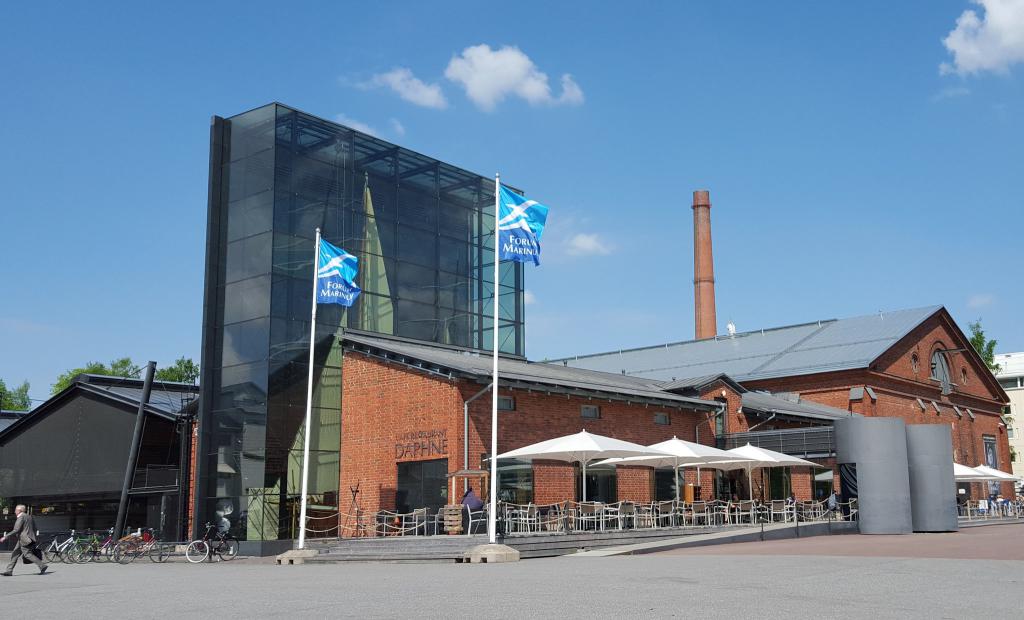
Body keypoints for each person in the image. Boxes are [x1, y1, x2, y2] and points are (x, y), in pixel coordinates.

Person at [1, 504, 47, 576]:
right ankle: (9, 571)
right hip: (27, 539)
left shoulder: (21, 517)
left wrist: (5, 537)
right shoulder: (29, 517)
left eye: (16, 510)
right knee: (15, 553)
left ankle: (42, 566)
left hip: (24, 539)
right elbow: (35, 528)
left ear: (19, 511)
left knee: (27, 554)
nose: (15, 511)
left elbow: (16, 529)